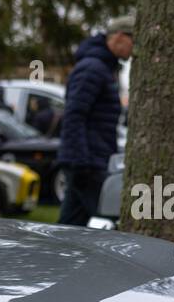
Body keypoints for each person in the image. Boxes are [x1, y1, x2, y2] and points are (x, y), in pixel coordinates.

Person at [57, 14, 134, 226]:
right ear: (119, 37)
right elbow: (74, 115)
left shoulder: (103, 68)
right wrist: (81, 162)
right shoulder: (93, 68)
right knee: (114, 218)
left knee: (71, 225)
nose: (134, 48)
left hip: (89, 159)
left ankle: (54, 256)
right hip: (88, 161)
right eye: (133, 40)